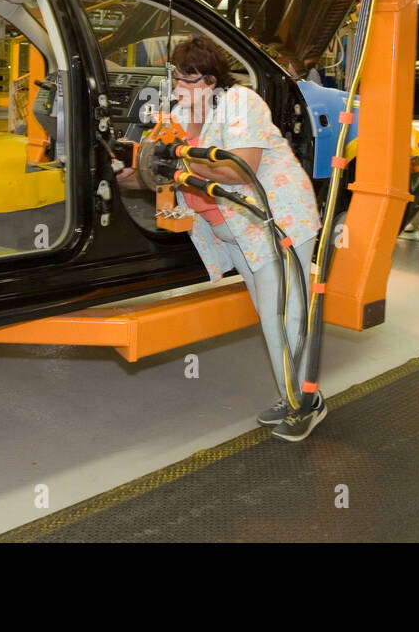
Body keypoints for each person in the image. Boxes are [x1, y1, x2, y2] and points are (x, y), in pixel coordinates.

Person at [117, 35, 326, 441]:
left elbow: (238, 171)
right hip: (233, 231)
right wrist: (131, 175)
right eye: (176, 78)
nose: (179, 87)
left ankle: (306, 402)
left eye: (188, 79)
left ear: (211, 80)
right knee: (272, 314)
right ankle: (292, 394)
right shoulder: (178, 112)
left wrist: (174, 163)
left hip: (275, 222)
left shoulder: (240, 104)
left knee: (283, 315)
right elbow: (156, 167)